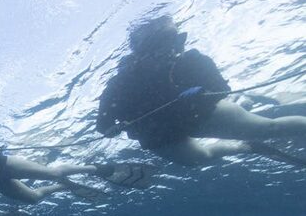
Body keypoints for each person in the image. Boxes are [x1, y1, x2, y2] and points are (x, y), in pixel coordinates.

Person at [97, 15, 306, 167]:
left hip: (198, 115)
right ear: (143, 54)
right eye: (161, 50)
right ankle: (244, 146)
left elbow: (222, 89)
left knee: (269, 129)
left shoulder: (191, 60)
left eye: (173, 46)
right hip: (161, 135)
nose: (170, 53)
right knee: (198, 159)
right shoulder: (119, 84)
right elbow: (102, 125)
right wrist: (111, 130)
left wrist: (203, 92)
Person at [0, 129, 151, 206]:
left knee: (53, 172)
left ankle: (96, 168)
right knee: (33, 199)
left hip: (4, 165)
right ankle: (65, 187)